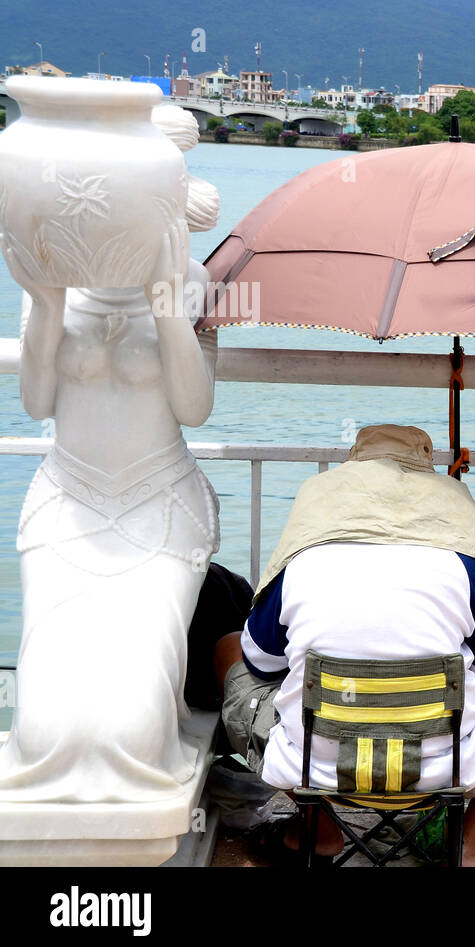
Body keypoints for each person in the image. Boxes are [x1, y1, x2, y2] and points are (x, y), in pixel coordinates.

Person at [216, 424, 475, 867]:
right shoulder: (464, 562)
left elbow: (261, 664)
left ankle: (318, 831)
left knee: (228, 648)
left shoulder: (303, 560)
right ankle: (473, 840)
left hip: (315, 764)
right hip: (447, 768)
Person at [0, 106, 221, 803]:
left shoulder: (193, 282)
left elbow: (193, 407)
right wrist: (44, 303)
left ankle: (149, 749)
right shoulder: (53, 284)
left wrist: (164, 306)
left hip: (158, 509)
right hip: (68, 506)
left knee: (130, 711)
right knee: (44, 719)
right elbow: (37, 401)